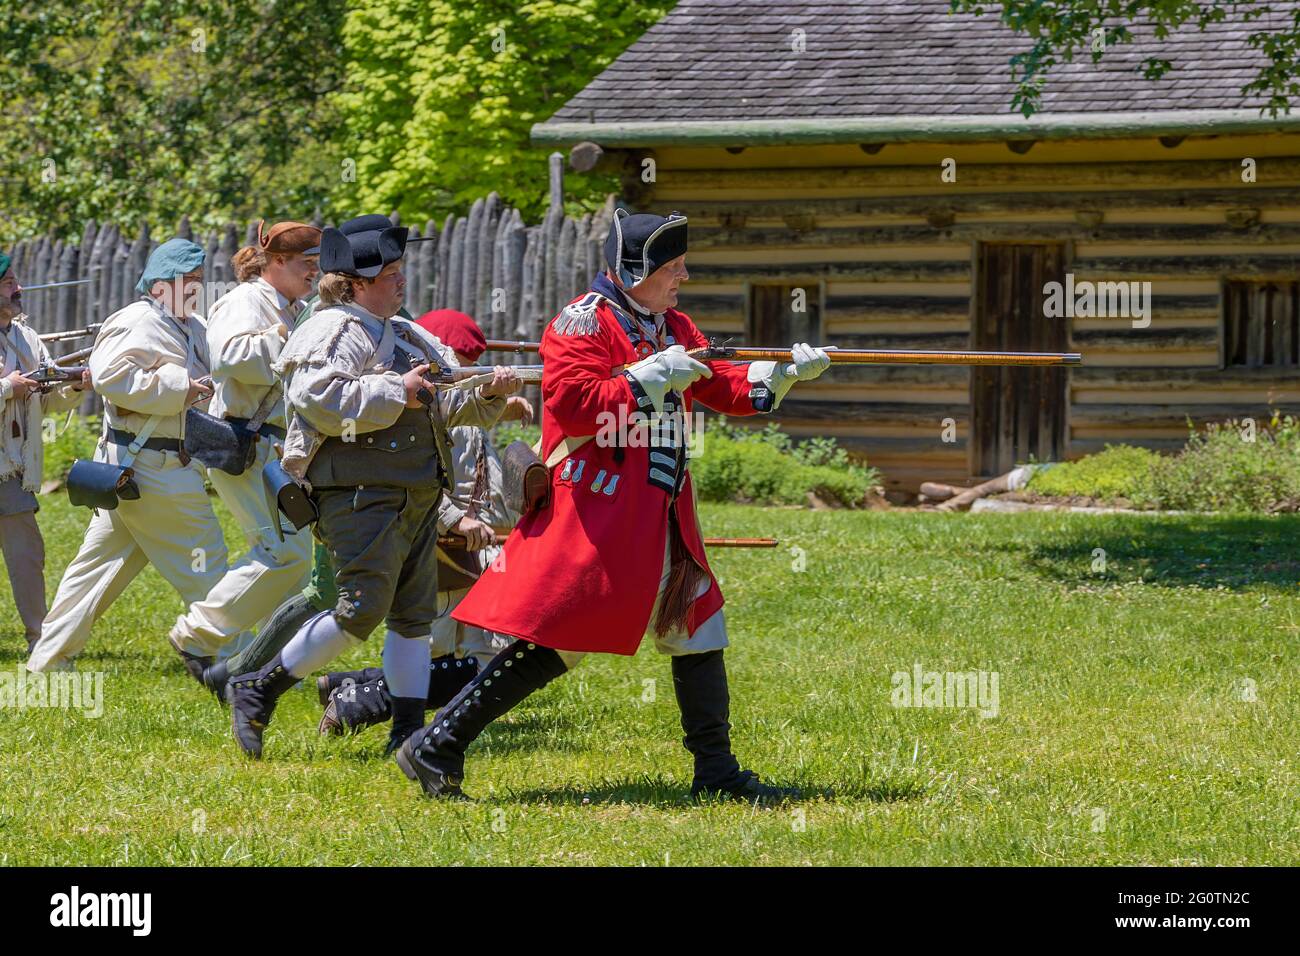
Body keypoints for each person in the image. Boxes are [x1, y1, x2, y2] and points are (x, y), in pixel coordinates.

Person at [395, 209, 830, 805]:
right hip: (600, 506)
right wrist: (648, 377)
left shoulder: (671, 322)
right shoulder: (581, 324)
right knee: (562, 640)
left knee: (698, 625)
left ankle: (717, 773)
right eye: (672, 267)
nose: (683, 277)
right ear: (635, 268)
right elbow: (575, 407)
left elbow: (716, 383)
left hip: (661, 504)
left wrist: (776, 378)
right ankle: (437, 744)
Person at [225, 218, 521, 758]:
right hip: (358, 494)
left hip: (416, 495)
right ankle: (258, 687)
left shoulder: (409, 335)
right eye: (390, 274)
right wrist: (396, 389)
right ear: (356, 284)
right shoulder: (330, 328)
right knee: (359, 611)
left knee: (411, 616)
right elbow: (315, 397)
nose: (401, 281)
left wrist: (491, 394)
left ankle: (406, 732)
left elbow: (448, 404)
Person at [316, 308, 532, 735]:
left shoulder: (458, 412)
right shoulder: (423, 414)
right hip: (442, 550)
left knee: (462, 657)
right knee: (463, 659)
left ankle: (351, 685)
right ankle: (360, 700)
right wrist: (457, 523)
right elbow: (427, 485)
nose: (467, 374)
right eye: (462, 365)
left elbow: (482, 479)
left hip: (470, 549)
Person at [27, 239, 229, 674]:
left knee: (95, 571)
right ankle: (243, 665)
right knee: (209, 562)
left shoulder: (190, 325)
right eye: (187, 281)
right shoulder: (137, 320)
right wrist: (181, 386)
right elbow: (108, 377)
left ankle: (47, 662)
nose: (196, 289)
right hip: (152, 467)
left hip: (144, 469)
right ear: (159, 286)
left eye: (198, 280)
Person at [168, 221, 319, 684]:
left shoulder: (291, 306)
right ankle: (197, 635)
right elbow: (228, 356)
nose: (314, 273)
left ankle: (267, 669)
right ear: (275, 262)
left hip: (275, 447)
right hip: (247, 444)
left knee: (294, 566)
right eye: (305, 264)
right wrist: (294, 342)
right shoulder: (244, 301)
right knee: (285, 553)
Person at [0, 251, 91, 651]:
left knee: (27, 556)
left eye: (14, 281)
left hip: (10, 467)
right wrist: (7, 388)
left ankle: (41, 640)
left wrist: (73, 387)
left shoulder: (25, 338)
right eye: (8, 283)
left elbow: (47, 400)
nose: (17, 288)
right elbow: (15, 389)